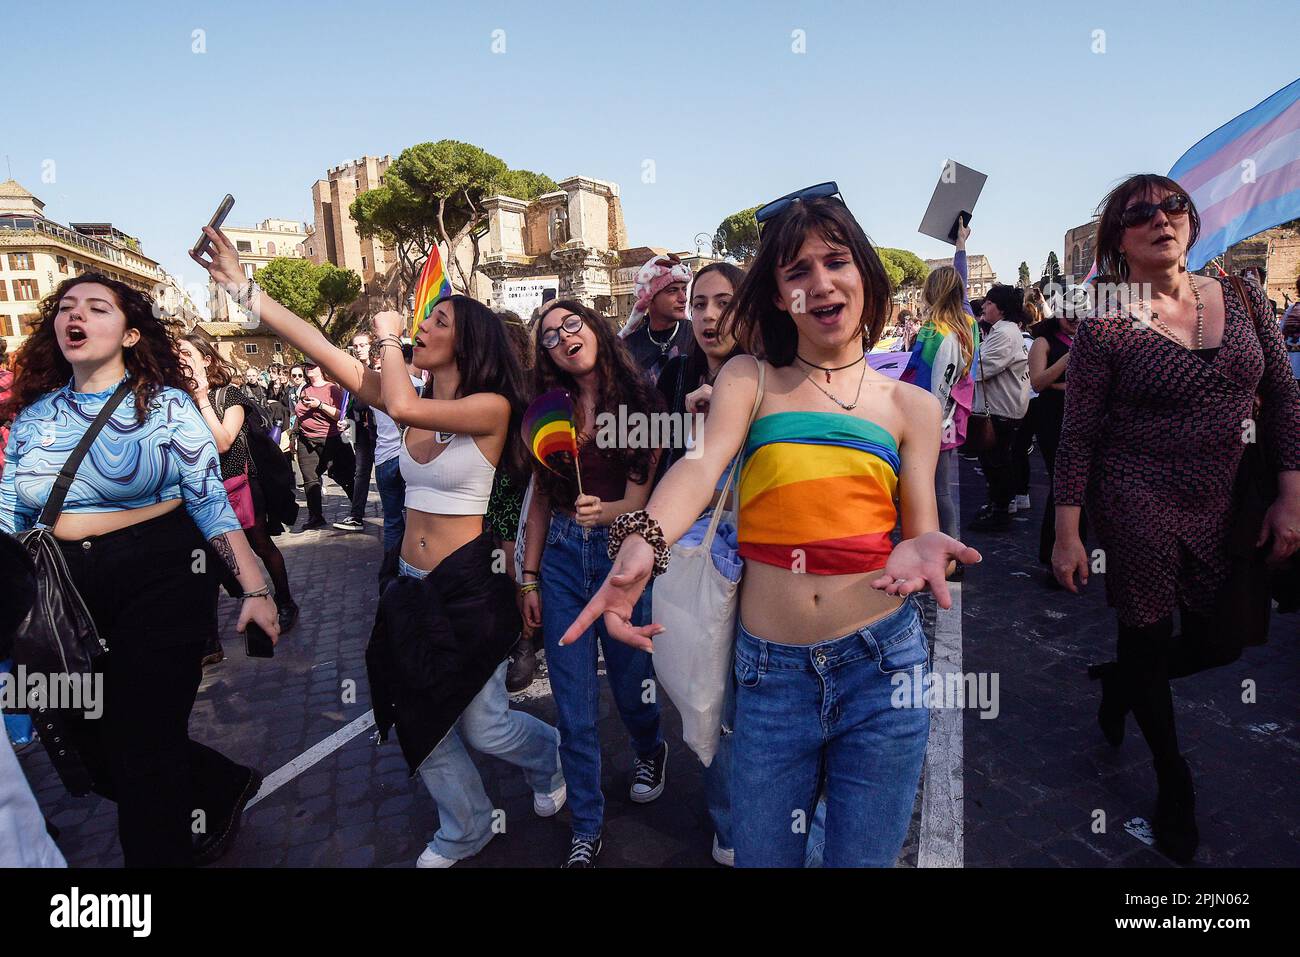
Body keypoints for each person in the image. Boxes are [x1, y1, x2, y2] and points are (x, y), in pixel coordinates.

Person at [560, 186, 980, 867]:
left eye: (836, 261)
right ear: (779, 294)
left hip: (883, 668)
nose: (820, 282)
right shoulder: (751, 379)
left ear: (865, 276)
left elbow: (920, 532)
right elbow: (697, 470)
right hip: (769, 676)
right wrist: (641, 541)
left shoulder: (911, 405)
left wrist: (925, 546)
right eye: (796, 271)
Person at [192, 225, 564, 869]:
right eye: (423, 319)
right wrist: (247, 289)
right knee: (414, 707)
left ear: (466, 343)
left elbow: (391, 393)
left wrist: (389, 336)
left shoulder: (492, 408)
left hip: (472, 587)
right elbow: (325, 350)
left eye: (437, 320)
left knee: (485, 723)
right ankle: (467, 823)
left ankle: (548, 755)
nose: (422, 326)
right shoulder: (412, 400)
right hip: (411, 585)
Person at [1052, 174, 1300, 865]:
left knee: (1226, 640)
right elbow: (1078, 435)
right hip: (1135, 496)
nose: (1161, 218)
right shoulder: (1105, 324)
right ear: (1119, 240)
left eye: (1174, 206)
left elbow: (1282, 397)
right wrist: (1068, 533)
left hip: (1227, 494)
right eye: (1140, 213)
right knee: (1147, 625)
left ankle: (1125, 680)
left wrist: (1292, 492)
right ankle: (1174, 782)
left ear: (1191, 221)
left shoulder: (1246, 296)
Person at [0, 273, 279, 867]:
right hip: (59, 587)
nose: (76, 315)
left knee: (144, 750)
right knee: (84, 749)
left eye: (97, 307)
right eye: (66, 307)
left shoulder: (169, 406)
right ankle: (217, 783)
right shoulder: (33, 417)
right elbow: (8, 516)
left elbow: (210, 503)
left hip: (163, 576)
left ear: (129, 334)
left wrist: (256, 589)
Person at [521, 299, 667, 868]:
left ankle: (651, 748)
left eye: (572, 324)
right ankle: (586, 822)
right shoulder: (544, 411)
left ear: (597, 327)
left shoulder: (643, 404)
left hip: (621, 558)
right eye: (550, 335)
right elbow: (538, 504)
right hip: (559, 562)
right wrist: (528, 577)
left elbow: (640, 503)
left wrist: (601, 512)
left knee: (633, 687)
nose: (563, 337)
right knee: (574, 708)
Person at [655, 260, 746, 865]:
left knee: (755, 702)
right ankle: (730, 825)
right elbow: (672, 484)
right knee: (707, 694)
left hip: (766, 563)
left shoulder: (773, 379)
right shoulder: (674, 380)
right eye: (699, 304)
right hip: (700, 563)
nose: (709, 317)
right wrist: (695, 435)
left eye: (722, 303)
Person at [180, 336, 299, 640]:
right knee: (207, 558)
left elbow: (223, 441)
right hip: (201, 492)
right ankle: (210, 636)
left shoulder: (228, 395)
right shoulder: (176, 399)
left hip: (240, 485)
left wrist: (203, 399)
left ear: (206, 360)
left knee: (259, 545)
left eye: (185, 353)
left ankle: (285, 601)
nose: (178, 359)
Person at [907, 222, 980, 544]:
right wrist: (960, 244)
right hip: (953, 416)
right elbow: (960, 284)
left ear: (930, 293)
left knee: (929, 489)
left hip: (929, 419)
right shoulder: (968, 322)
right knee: (939, 488)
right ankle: (947, 547)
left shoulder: (933, 331)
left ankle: (944, 549)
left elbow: (925, 382)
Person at [967, 283, 1031, 531]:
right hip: (1001, 407)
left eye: (989, 303)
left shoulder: (1004, 333)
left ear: (1001, 308)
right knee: (994, 462)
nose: (984, 306)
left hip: (1001, 410)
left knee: (997, 463)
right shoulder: (1002, 331)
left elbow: (981, 368)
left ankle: (1000, 512)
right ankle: (997, 505)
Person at [1026, 304, 1081, 577]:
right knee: (1062, 483)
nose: (1074, 320)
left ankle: (1077, 553)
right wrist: (1067, 360)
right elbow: (1037, 383)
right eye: (1069, 314)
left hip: (1084, 417)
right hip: (1051, 417)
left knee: (1081, 486)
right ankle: (1052, 556)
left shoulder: (1091, 338)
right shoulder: (1042, 342)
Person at [371, 340, 423, 554]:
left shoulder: (380, 386)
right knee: (416, 519)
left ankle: (391, 571)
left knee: (392, 520)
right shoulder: (420, 387)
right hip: (411, 456)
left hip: (384, 457)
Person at [294, 360, 354, 530]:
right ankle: (316, 516)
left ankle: (358, 508)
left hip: (330, 439)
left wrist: (319, 405)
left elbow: (341, 415)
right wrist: (294, 436)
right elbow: (298, 414)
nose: (308, 369)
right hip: (306, 439)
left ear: (322, 368)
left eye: (312, 366)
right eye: (307, 366)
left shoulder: (331, 388)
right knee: (309, 478)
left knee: (343, 476)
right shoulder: (304, 388)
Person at [618, 252, 695, 381]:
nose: (684, 298)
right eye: (673, 290)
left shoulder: (696, 337)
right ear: (649, 297)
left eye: (684, 289)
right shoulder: (629, 347)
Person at [335, 330, 378, 532]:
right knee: (361, 473)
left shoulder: (379, 368)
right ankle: (356, 515)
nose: (359, 349)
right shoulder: (354, 370)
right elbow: (352, 403)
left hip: (381, 430)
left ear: (372, 345)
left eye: (363, 345)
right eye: (356, 346)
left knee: (390, 472)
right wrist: (347, 420)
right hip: (362, 430)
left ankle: (399, 512)